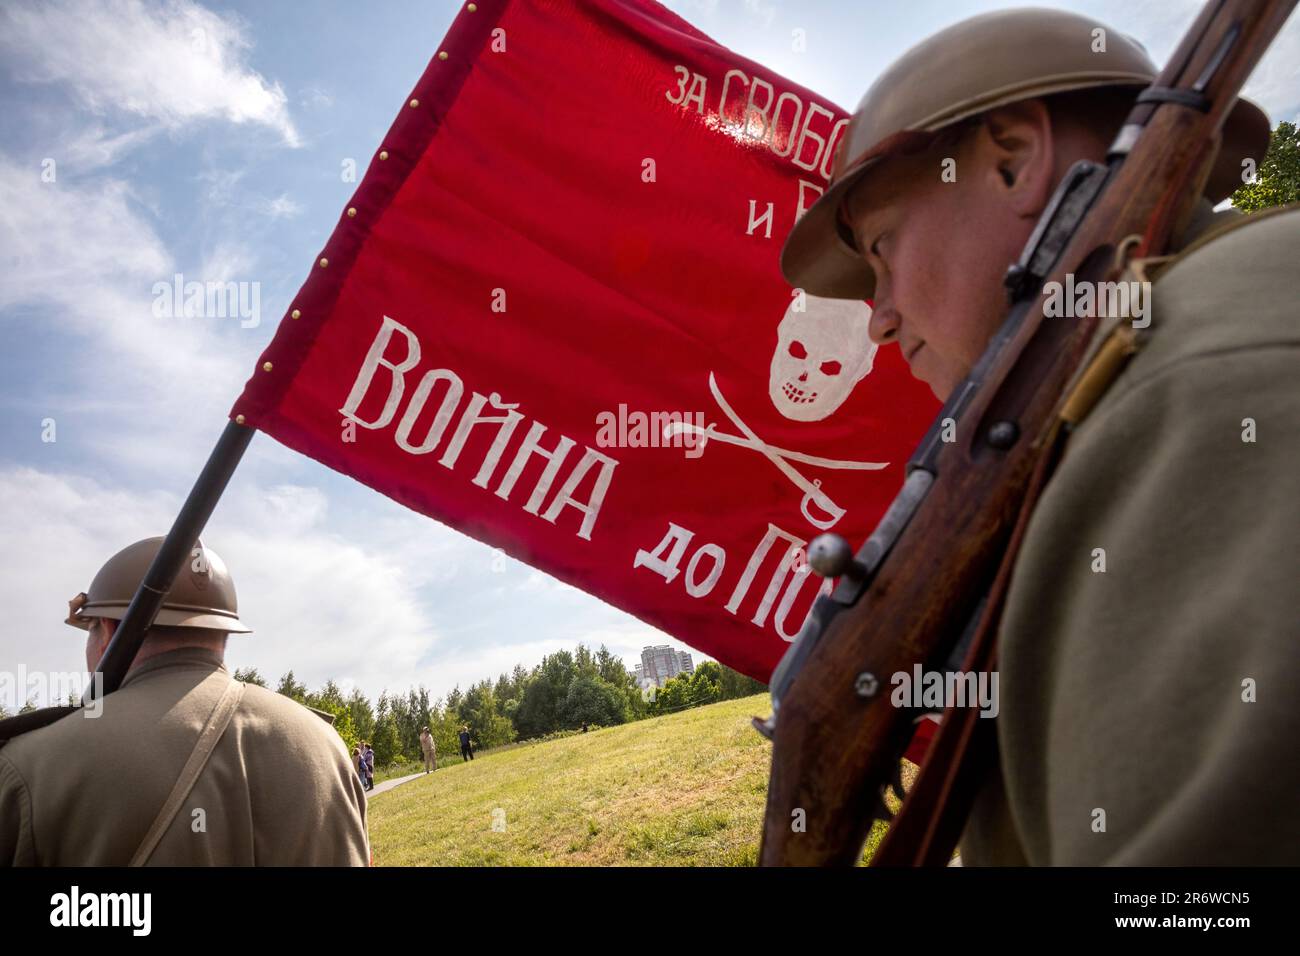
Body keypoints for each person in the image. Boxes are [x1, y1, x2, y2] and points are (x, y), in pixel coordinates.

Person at [781, 7, 1298, 864]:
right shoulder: (1128, 381)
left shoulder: (1198, 378)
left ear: (1014, 161)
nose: (876, 321)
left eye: (882, 248)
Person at [0, 537, 370, 865]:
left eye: (89, 629)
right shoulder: (325, 745)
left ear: (109, 630)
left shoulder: (29, 770)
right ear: (223, 632)